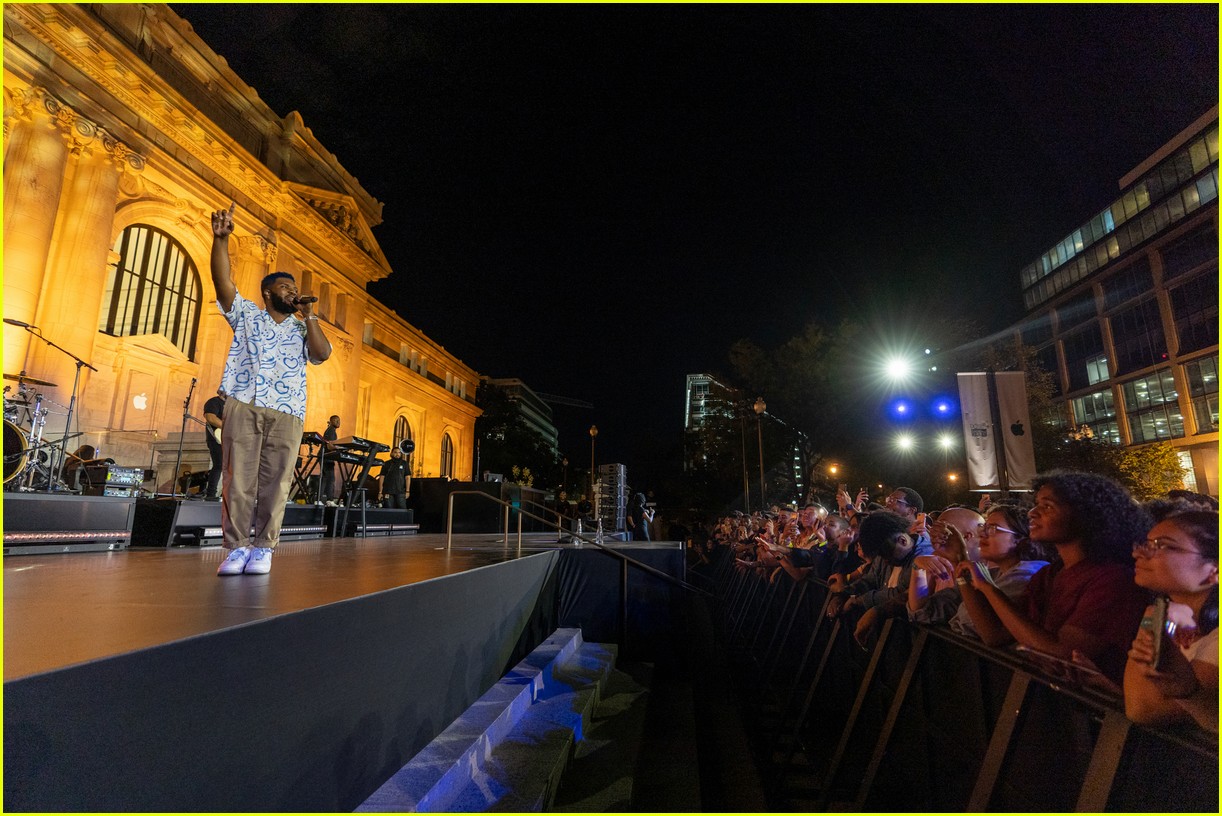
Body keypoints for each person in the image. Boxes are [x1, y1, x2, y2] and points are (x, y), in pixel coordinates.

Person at [210, 202, 332, 576]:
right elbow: (222, 281)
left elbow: (323, 354)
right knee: (238, 480)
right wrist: (221, 241)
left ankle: (264, 547)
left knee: (278, 482)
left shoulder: (301, 328)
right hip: (244, 404)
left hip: (288, 410)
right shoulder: (247, 314)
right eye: (285, 287)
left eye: (294, 288)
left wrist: (309, 313)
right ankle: (236, 548)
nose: (292, 292)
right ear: (267, 293)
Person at [957, 470, 1151, 685]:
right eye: (1036, 504)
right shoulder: (1049, 575)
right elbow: (994, 635)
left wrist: (989, 588)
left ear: (1085, 515)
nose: (1032, 512)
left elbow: (1063, 653)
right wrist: (966, 578)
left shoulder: (1112, 579)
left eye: (1047, 506)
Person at [1124, 510, 1218, 732]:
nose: (1139, 553)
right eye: (1146, 543)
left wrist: (1152, 615)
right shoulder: (1180, 625)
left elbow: (1143, 709)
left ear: (1214, 571)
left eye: (1163, 545)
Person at [202, 393, 225, 499]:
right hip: (216, 439)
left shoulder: (233, 405)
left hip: (231, 440)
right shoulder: (214, 402)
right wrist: (229, 427)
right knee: (219, 465)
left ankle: (225, 494)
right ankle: (211, 494)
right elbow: (210, 417)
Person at [322, 414, 341, 503]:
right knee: (330, 479)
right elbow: (330, 446)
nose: (338, 422)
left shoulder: (331, 431)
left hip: (326, 457)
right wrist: (342, 448)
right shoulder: (331, 431)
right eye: (336, 420)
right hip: (327, 457)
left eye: (339, 421)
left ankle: (320, 499)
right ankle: (329, 500)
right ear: (331, 421)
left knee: (326, 478)